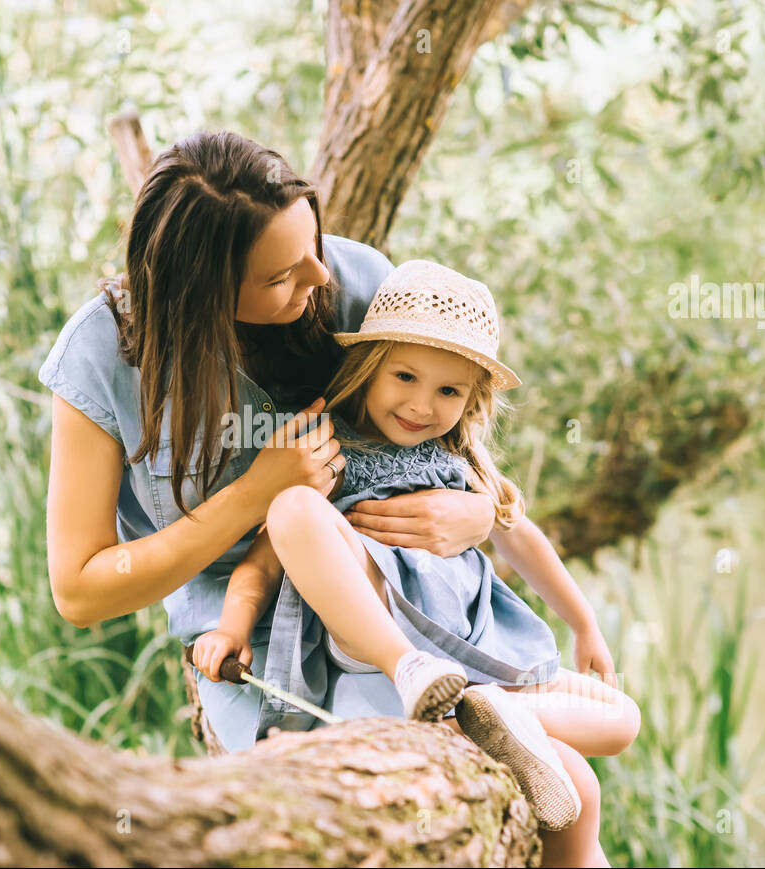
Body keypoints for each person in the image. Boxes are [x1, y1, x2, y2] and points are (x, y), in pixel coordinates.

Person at [39, 130, 502, 760]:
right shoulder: (99, 356)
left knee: (506, 765)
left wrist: (477, 513)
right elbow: (80, 591)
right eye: (282, 275)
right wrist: (257, 492)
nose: (320, 272)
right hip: (251, 639)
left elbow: (456, 431)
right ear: (203, 296)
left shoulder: (359, 281)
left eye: (312, 242)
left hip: (399, 598)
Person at [192, 259, 641, 867]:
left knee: (616, 720)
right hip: (382, 635)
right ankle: (412, 672)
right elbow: (263, 564)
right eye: (405, 375)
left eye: (449, 391)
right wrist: (231, 628)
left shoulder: (466, 467)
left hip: (474, 658)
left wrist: (584, 623)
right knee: (294, 506)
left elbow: (519, 535)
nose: (422, 405)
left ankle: (495, 715)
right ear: (369, 367)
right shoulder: (329, 449)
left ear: (472, 399)